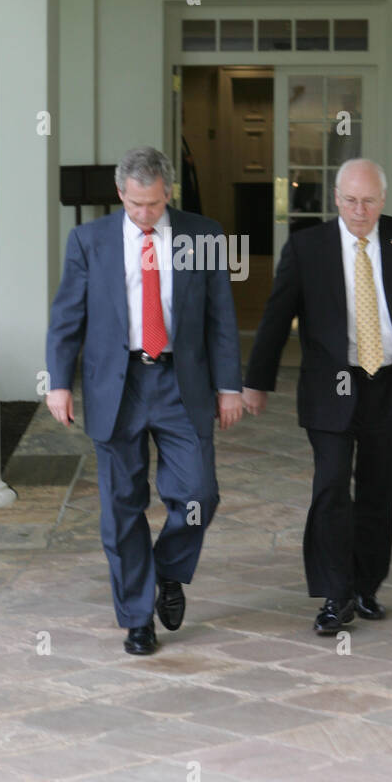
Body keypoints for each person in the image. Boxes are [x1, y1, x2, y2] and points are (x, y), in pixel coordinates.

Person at [242, 158, 392, 633]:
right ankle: (335, 596)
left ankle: (366, 585)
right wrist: (257, 380)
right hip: (331, 385)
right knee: (332, 486)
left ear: (383, 200)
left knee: (377, 493)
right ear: (336, 199)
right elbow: (278, 317)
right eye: (351, 200)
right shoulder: (307, 247)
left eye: (370, 201)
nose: (360, 211)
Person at [45, 146, 243, 655]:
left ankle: (169, 572)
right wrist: (59, 383)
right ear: (121, 194)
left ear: (168, 192)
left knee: (199, 495)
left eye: (153, 204)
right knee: (122, 506)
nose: (144, 215)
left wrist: (229, 386)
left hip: (184, 383)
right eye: (135, 205)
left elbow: (221, 317)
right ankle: (137, 616)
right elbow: (68, 317)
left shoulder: (204, 235)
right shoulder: (90, 241)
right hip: (119, 384)